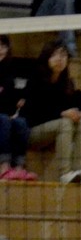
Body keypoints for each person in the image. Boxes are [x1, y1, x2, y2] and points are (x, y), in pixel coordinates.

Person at [23, 40, 81, 184]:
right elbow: (34, 113)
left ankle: (77, 171)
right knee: (65, 124)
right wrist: (62, 114)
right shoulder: (35, 79)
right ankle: (64, 173)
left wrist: (76, 114)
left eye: (63, 55)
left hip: (54, 132)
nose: (60, 59)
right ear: (47, 58)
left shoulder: (68, 83)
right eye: (55, 55)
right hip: (32, 133)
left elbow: (70, 109)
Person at [0, 36, 33, 180]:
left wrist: (17, 107)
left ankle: (19, 168)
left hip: (4, 116)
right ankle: (4, 167)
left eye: (3, 46)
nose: (0, 49)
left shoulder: (9, 74)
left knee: (20, 122)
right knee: (4, 120)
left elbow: (10, 101)